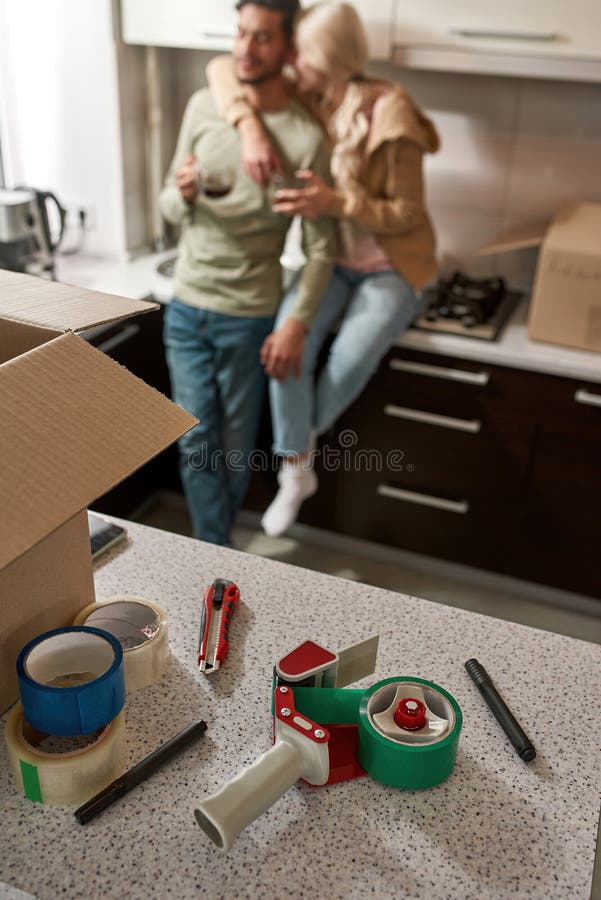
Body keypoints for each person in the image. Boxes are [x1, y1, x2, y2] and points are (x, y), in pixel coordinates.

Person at [207, 2, 440, 537]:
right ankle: (299, 469)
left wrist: (335, 202)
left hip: (390, 267)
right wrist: (250, 128)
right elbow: (220, 70)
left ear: (329, 58)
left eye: (299, 52)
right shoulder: (312, 97)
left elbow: (406, 214)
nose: (289, 60)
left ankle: (294, 462)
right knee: (284, 348)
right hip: (332, 259)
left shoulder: (392, 114)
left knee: (344, 364)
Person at [160, 0, 336, 547]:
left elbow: (321, 244)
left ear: (287, 48)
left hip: (248, 314)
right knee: (194, 441)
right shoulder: (202, 106)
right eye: (240, 34)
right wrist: (182, 195)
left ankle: (216, 549)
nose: (244, 49)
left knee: (233, 451)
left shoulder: (305, 137)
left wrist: (298, 320)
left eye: (261, 38)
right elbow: (167, 205)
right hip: (187, 306)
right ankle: (216, 551)